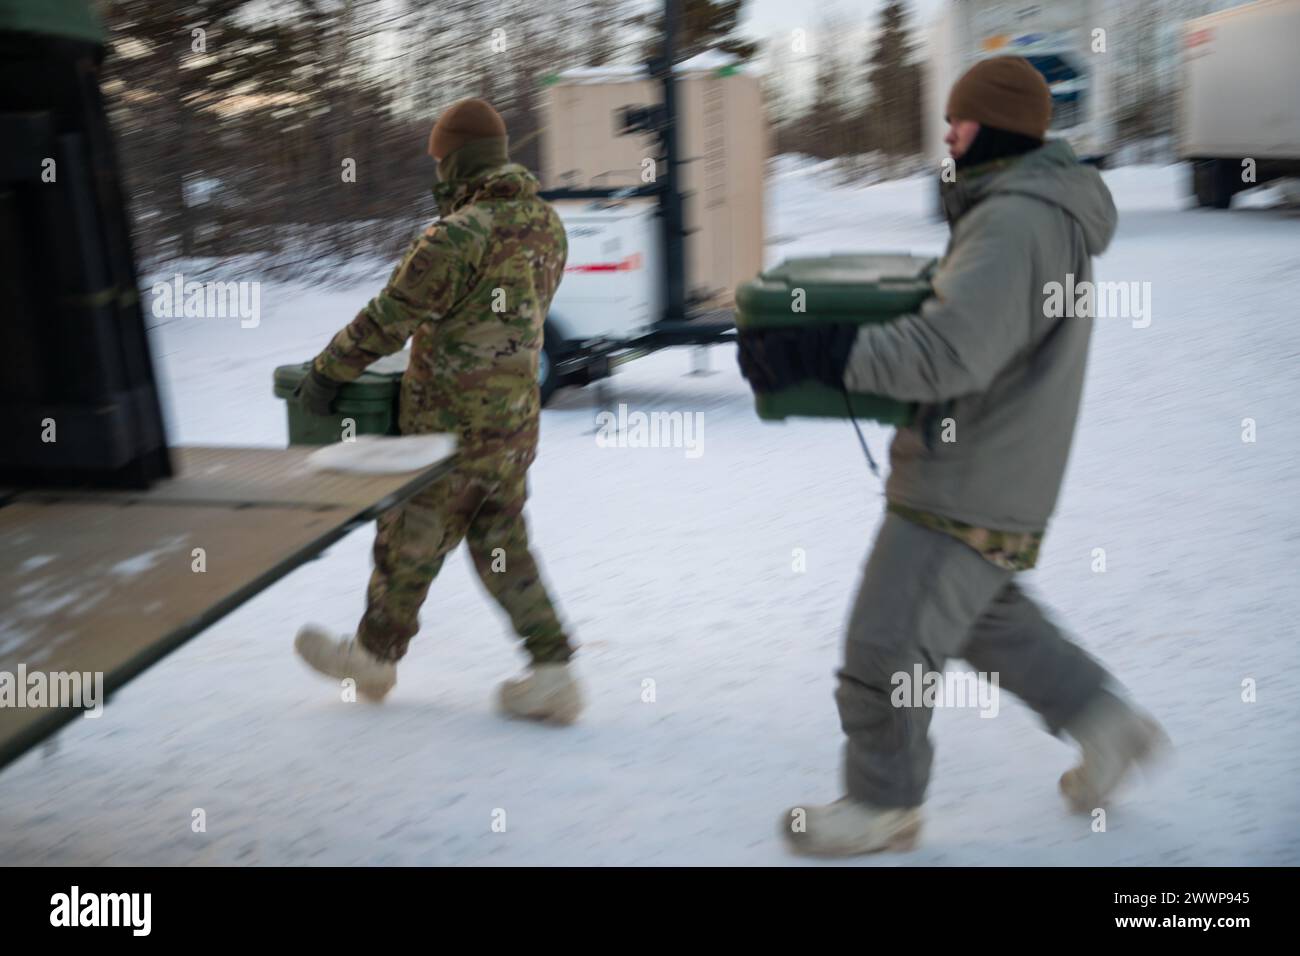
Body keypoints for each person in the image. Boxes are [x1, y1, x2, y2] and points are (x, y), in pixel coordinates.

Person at [738, 57, 1167, 856]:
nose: (947, 136)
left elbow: (948, 351)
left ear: (994, 127)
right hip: (996, 470)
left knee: (885, 642)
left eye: (959, 123)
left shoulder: (1014, 222)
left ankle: (882, 803)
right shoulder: (1033, 210)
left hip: (966, 479)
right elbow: (968, 330)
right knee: (980, 619)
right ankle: (1110, 726)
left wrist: (822, 352)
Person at [292, 98, 582, 725]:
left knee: (408, 538)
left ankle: (373, 657)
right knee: (502, 543)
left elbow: (388, 319)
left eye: (439, 159)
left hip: (449, 429)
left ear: (457, 161)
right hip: (512, 425)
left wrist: (325, 374)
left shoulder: (456, 235)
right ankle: (554, 670)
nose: (436, 172)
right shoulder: (548, 225)